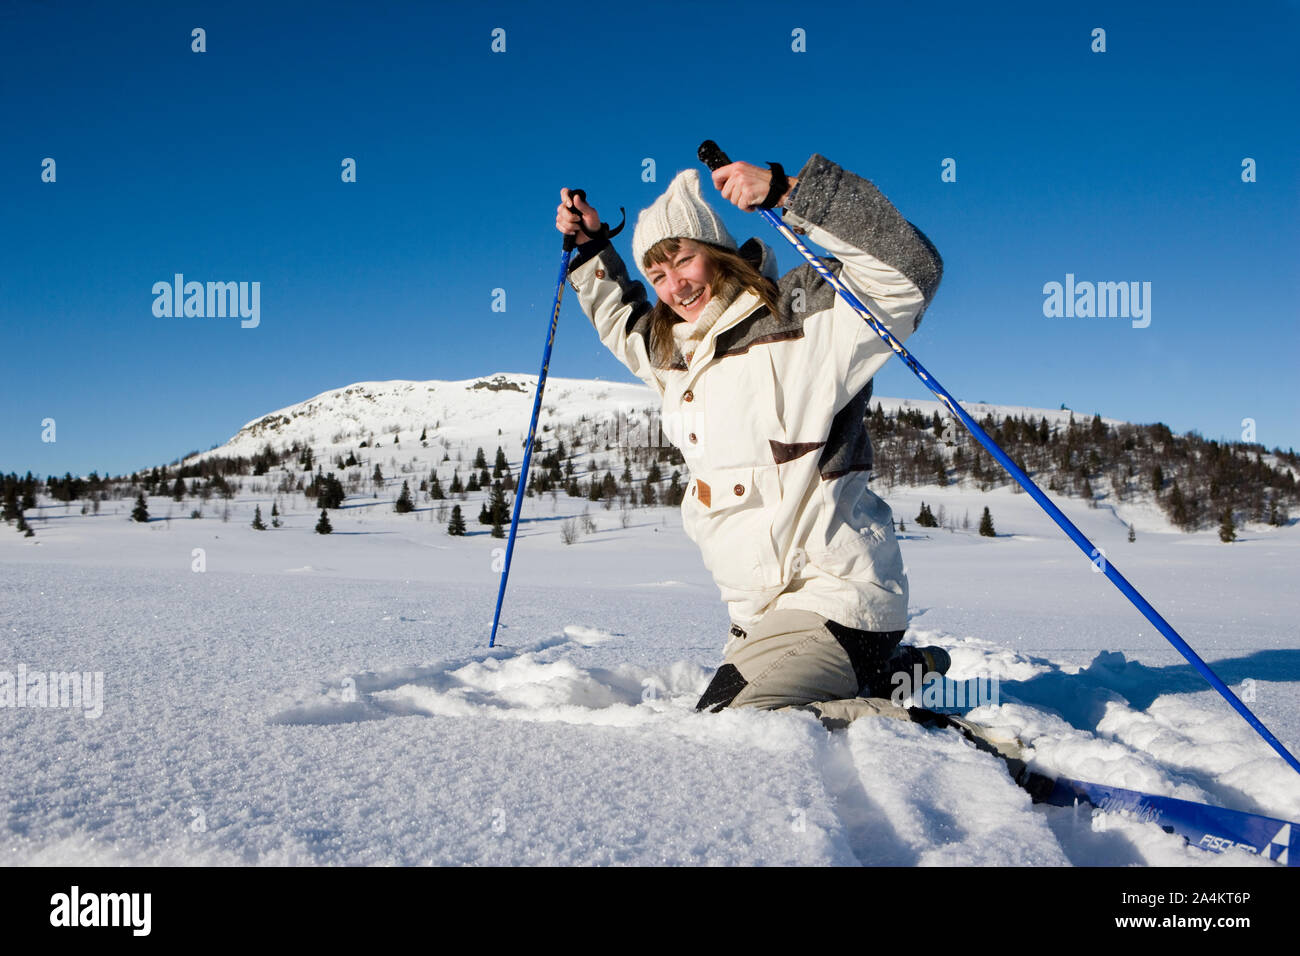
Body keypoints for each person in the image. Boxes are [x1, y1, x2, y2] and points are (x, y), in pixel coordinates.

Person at [555, 152, 949, 723]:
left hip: (836, 598)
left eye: (683, 260)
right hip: (760, 618)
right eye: (657, 274)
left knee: (732, 722)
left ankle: (946, 742)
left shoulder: (798, 316)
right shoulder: (674, 354)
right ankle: (890, 676)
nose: (674, 285)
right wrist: (593, 248)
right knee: (740, 707)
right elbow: (620, 322)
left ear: (715, 252)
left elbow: (910, 270)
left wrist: (795, 192)